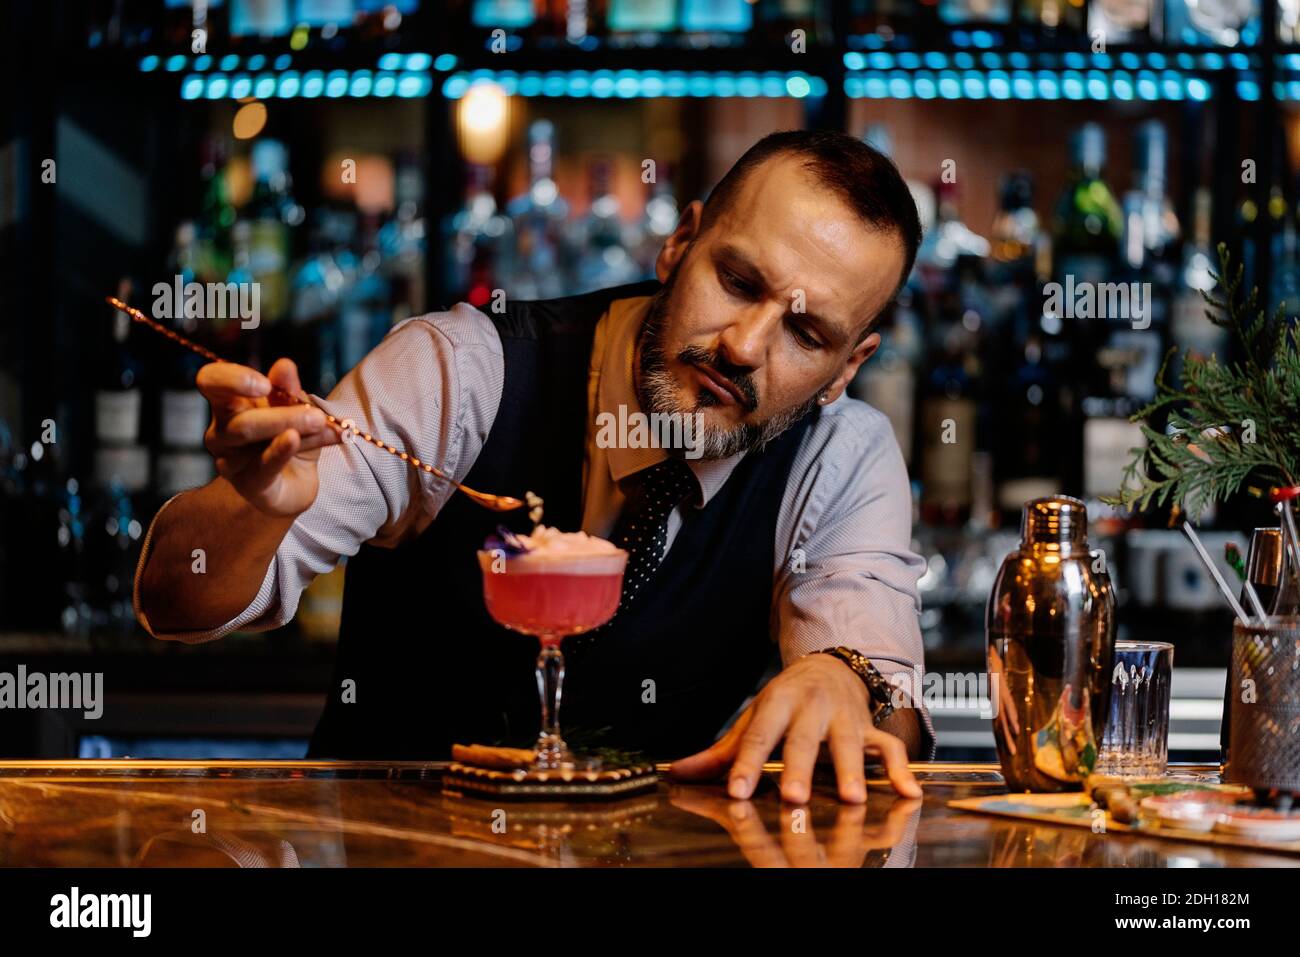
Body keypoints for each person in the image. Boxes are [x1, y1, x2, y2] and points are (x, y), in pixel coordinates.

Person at [135, 130, 933, 804]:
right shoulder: (461, 373)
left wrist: (848, 679)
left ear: (846, 367)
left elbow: (890, 696)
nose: (744, 346)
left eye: (808, 335)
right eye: (736, 280)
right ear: (680, 243)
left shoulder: (841, 456)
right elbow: (174, 601)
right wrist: (256, 509)